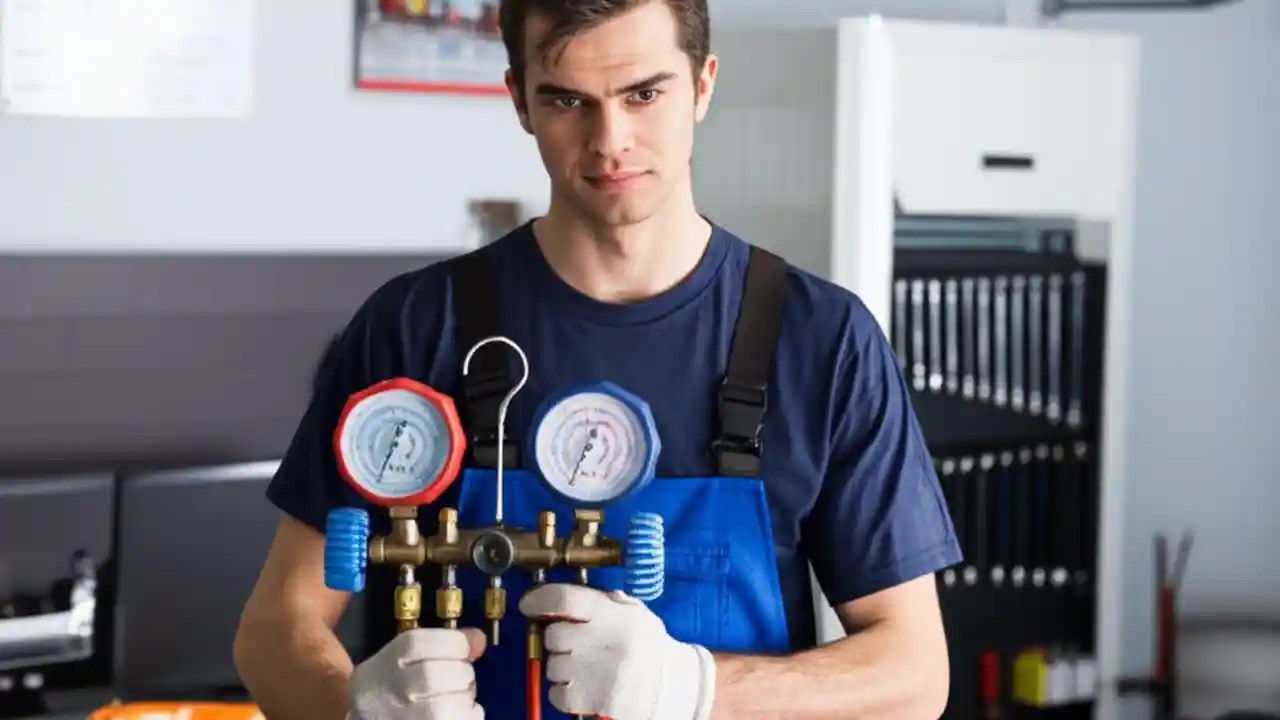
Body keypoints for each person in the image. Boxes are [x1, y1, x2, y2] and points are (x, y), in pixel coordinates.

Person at [233, 0, 963, 718]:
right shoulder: (417, 326)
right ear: (520, 100)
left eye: (644, 94)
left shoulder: (823, 339)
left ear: (703, 84)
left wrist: (692, 688)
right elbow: (275, 630)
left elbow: (913, 674)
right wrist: (354, 711)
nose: (611, 140)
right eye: (568, 99)